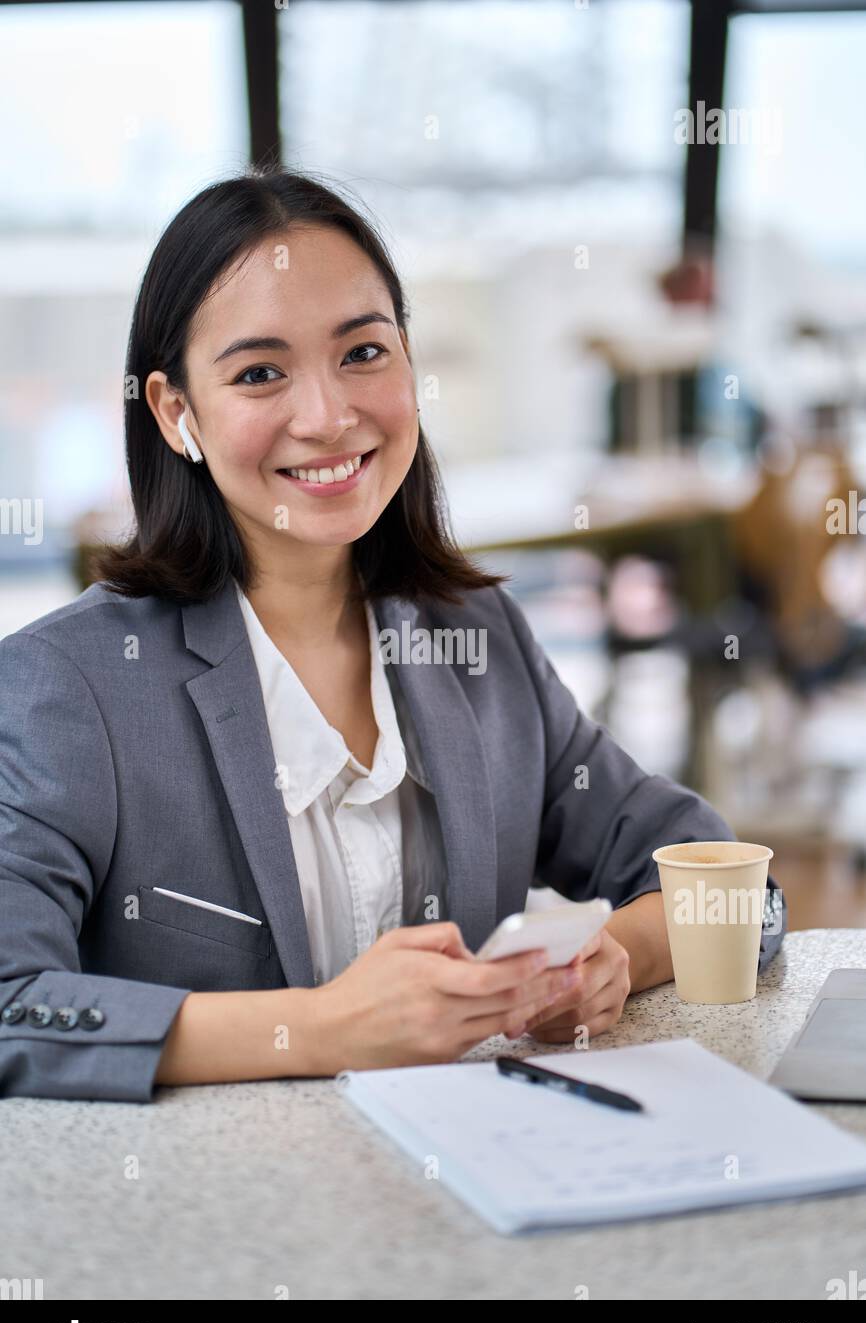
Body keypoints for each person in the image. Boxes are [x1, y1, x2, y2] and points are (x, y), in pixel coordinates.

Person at [0, 167, 786, 1102]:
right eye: (259, 373)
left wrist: (615, 954)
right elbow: (15, 1011)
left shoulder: (475, 639)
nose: (329, 417)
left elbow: (725, 881)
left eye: (363, 353)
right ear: (177, 413)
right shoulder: (67, 687)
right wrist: (323, 1026)